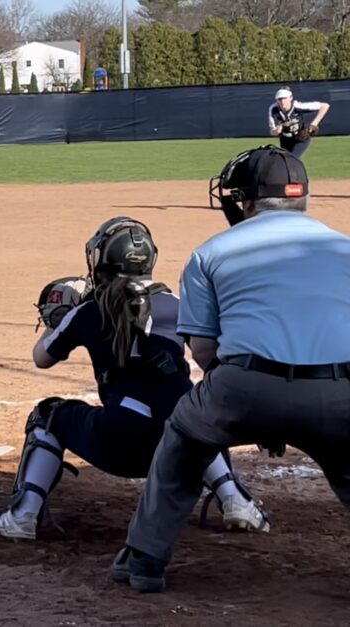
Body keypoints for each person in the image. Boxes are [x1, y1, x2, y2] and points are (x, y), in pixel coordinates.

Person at [114, 146, 350, 593]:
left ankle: (144, 559)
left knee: (184, 439)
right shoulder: (344, 247)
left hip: (244, 385)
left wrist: (254, 408)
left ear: (246, 202)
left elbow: (204, 351)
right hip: (341, 389)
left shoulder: (211, 252)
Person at [0, 217, 266, 541]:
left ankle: (22, 516)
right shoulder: (178, 305)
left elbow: (41, 358)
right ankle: (236, 501)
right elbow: (212, 354)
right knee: (194, 414)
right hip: (178, 451)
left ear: (104, 260)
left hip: (118, 445)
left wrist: (57, 322)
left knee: (47, 414)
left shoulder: (88, 311)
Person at [267, 86, 329, 158]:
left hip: (300, 138)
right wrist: (277, 130)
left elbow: (324, 106)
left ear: (291, 98)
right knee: (284, 160)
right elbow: (272, 132)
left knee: (292, 159)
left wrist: (314, 124)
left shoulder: (297, 106)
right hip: (285, 140)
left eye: (285, 98)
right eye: (280, 99)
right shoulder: (273, 109)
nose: (282, 102)